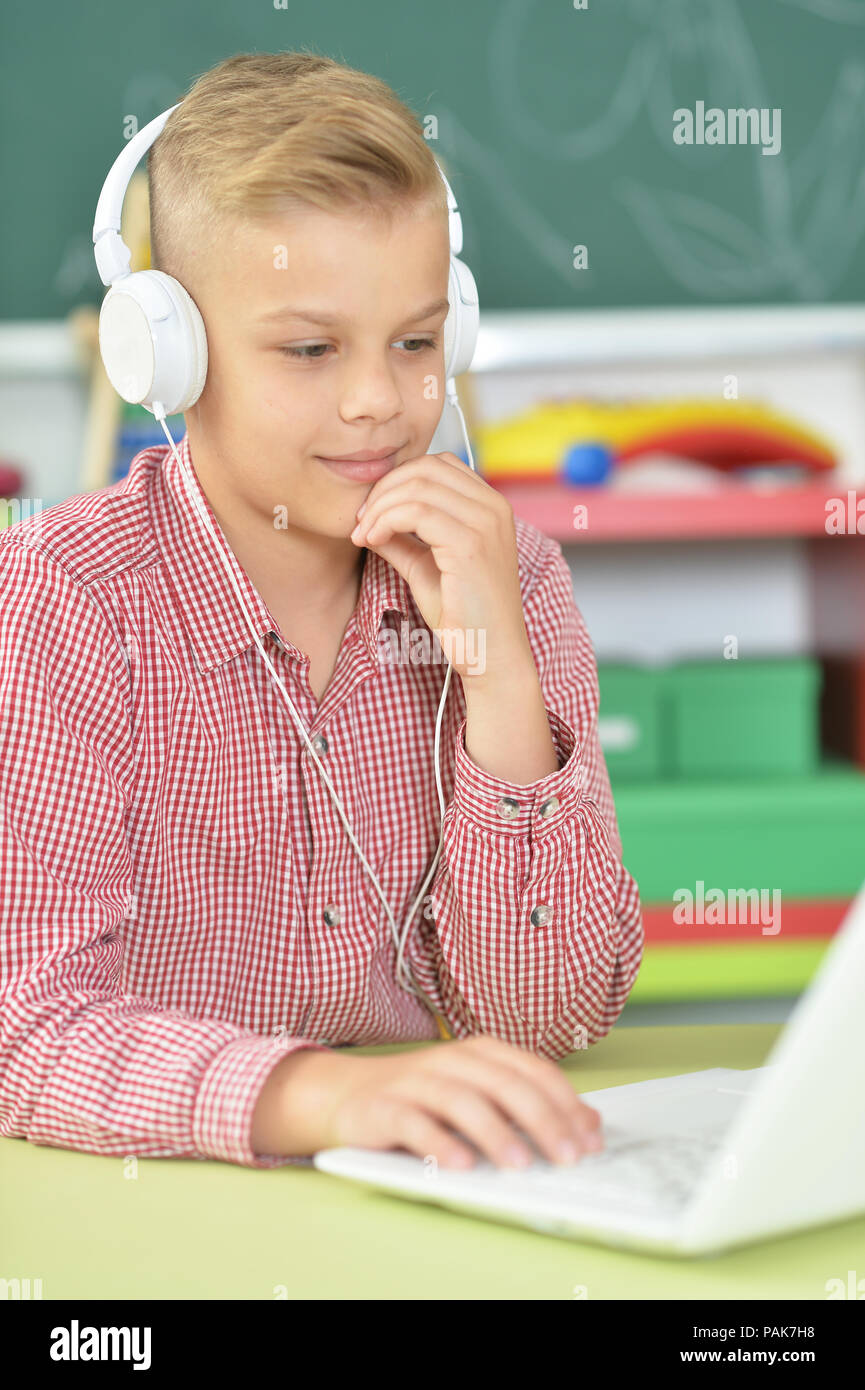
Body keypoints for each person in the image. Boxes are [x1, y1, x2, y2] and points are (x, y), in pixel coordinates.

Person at [0, 51, 642, 1175]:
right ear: (169, 350)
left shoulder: (514, 577)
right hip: (151, 1207)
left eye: (416, 340)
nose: (379, 401)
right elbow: (24, 1029)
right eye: (309, 348)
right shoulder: (64, 598)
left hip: (419, 1207)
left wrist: (495, 675)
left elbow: (557, 1019)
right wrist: (331, 1095)